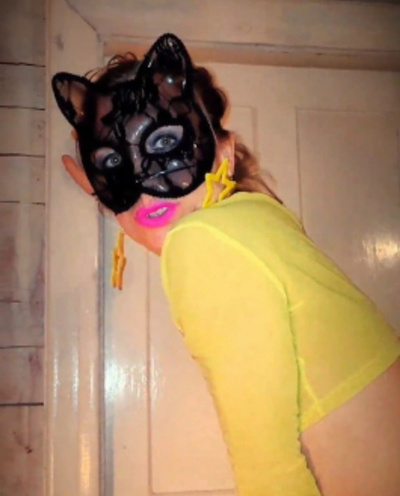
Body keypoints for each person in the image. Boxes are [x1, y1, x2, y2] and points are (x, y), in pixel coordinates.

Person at [52, 33, 400, 496]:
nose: (145, 188)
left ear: (223, 153)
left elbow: (268, 469)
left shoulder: (199, 243)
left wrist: (114, 185)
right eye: (113, 163)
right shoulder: (259, 219)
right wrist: (108, 191)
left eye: (166, 143)